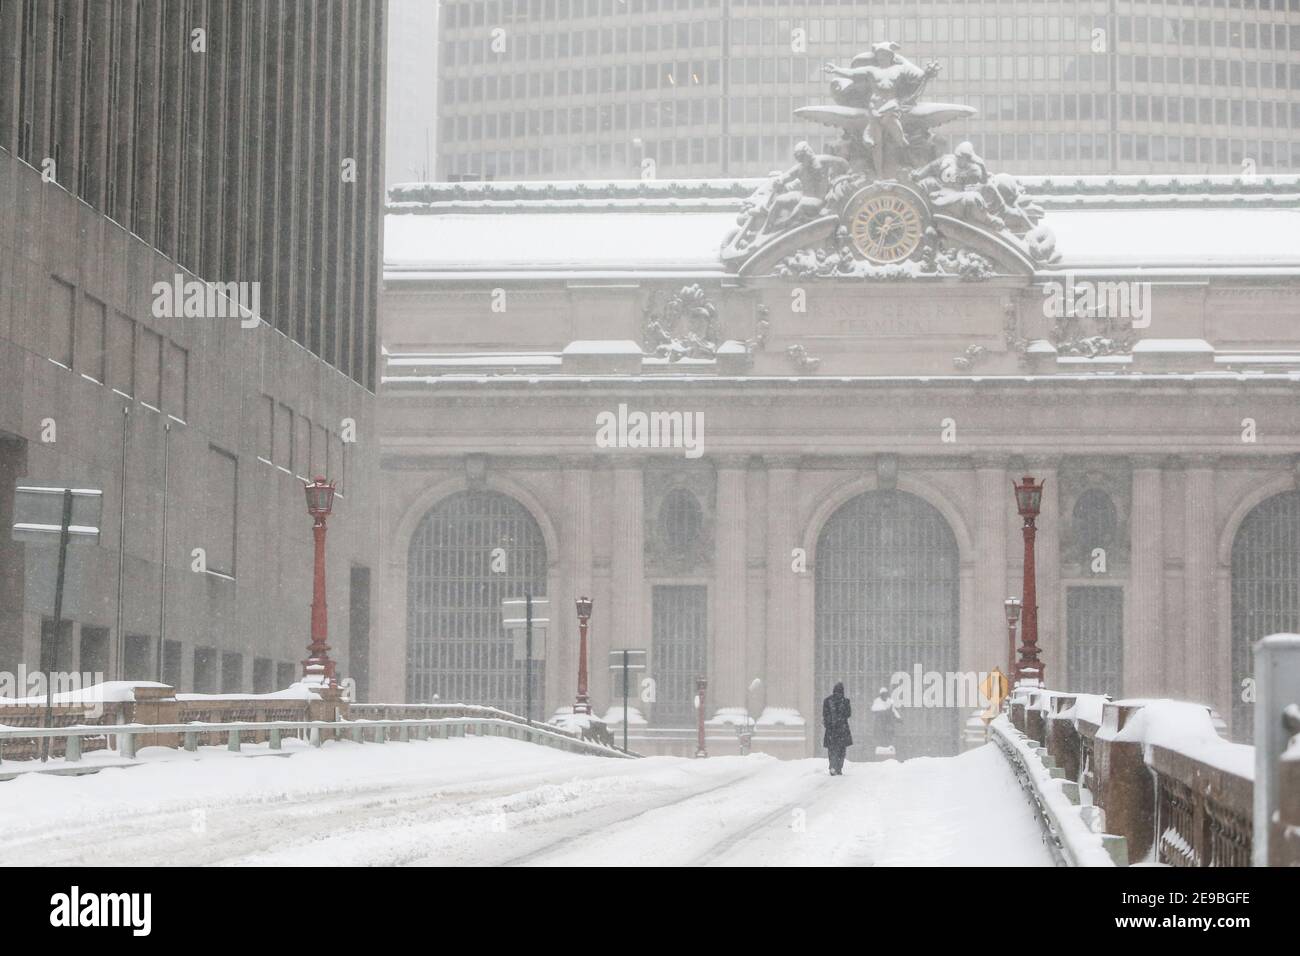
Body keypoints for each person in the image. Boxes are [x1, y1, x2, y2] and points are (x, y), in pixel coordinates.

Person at [821, 682, 853, 775]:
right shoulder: (846, 701)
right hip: (842, 730)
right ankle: (838, 767)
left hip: (831, 729)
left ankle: (833, 766)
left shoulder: (827, 701)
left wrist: (828, 724)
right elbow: (848, 714)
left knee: (832, 750)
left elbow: (825, 714)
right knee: (841, 750)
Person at [871, 686, 902, 759]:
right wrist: (885, 710)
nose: (884, 696)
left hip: (888, 723)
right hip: (880, 723)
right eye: (883, 694)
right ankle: (882, 747)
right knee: (881, 736)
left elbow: (894, 711)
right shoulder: (877, 701)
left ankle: (888, 748)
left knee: (889, 735)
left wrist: (898, 718)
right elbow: (874, 709)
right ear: (881, 695)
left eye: (885, 694)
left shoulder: (889, 702)